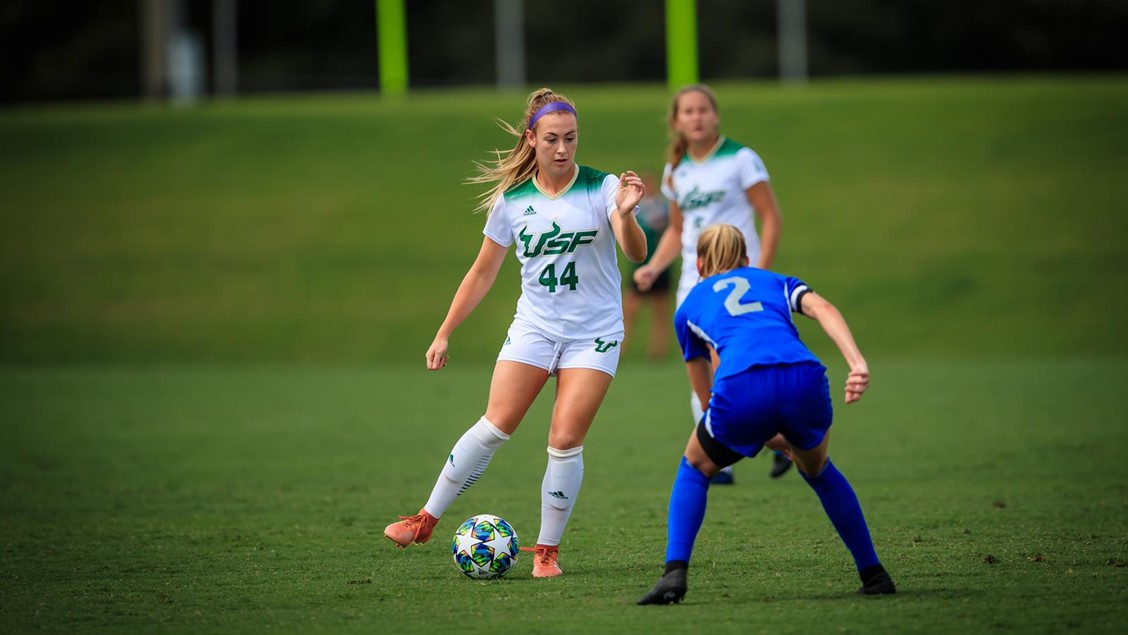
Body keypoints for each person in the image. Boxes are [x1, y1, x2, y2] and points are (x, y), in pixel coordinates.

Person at [383, 87, 648, 579]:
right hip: (536, 327)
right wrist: (444, 332)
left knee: (565, 439)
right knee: (495, 424)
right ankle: (424, 520)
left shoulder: (603, 186)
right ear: (532, 139)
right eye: (552, 139)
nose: (563, 149)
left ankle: (546, 552)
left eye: (571, 138)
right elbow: (482, 273)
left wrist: (628, 214)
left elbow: (635, 253)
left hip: (595, 334)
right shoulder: (512, 201)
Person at [636, 224, 896, 605]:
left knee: (695, 465)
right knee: (819, 469)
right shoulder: (775, 280)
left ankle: (674, 573)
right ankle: (874, 573)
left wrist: (755, 430)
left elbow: (707, 399)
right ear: (746, 259)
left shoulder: (690, 305)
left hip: (742, 385)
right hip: (805, 376)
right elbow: (822, 308)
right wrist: (856, 363)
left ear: (700, 262)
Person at [633, 84, 790, 482]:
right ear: (676, 121)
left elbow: (771, 218)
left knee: (732, 369)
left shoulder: (740, 159)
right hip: (693, 284)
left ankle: (778, 438)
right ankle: (723, 457)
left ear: (715, 115)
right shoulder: (676, 169)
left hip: (737, 281)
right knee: (700, 367)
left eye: (703, 109)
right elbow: (677, 230)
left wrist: (759, 273)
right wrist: (653, 266)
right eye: (688, 111)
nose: (697, 117)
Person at [622, 172, 672, 360]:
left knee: (660, 309)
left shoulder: (665, 209)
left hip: (660, 266)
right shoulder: (635, 209)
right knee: (630, 308)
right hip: (639, 266)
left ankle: (658, 350)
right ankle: (621, 348)